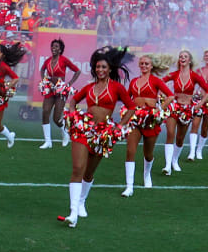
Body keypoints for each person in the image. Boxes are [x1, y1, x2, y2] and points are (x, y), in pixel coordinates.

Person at [59, 47, 135, 228]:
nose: (100, 70)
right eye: (97, 67)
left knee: (89, 172)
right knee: (78, 168)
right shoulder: (89, 87)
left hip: (103, 135)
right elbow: (73, 101)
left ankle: (81, 201)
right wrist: (73, 116)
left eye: (103, 67)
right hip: (84, 131)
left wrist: (119, 125)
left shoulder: (117, 87)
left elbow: (131, 107)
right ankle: (73, 213)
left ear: (110, 70)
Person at [122, 53, 173, 196]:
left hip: (150, 120)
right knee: (130, 151)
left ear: (151, 66)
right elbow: (127, 98)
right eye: (142, 63)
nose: (144, 66)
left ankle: (146, 175)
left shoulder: (156, 81)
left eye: (146, 64)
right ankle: (129, 186)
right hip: (135, 119)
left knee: (148, 153)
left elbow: (170, 96)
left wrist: (159, 108)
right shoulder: (133, 82)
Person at [162, 49, 208, 173]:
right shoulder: (174, 74)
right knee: (170, 134)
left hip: (187, 109)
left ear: (189, 60)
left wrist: (200, 104)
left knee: (180, 138)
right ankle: (167, 165)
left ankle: (174, 160)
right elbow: (160, 83)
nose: (182, 58)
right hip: (174, 107)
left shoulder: (195, 76)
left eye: (185, 56)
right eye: (180, 56)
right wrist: (164, 96)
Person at [37, 38, 81, 149]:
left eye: (56, 47)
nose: (54, 48)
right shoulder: (47, 61)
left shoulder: (64, 60)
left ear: (60, 50)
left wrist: (69, 83)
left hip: (61, 90)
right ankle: (48, 141)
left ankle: (65, 133)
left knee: (56, 118)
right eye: (52, 46)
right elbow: (42, 70)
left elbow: (77, 71)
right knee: (45, 112)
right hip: (50, 89)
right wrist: (44, 80)